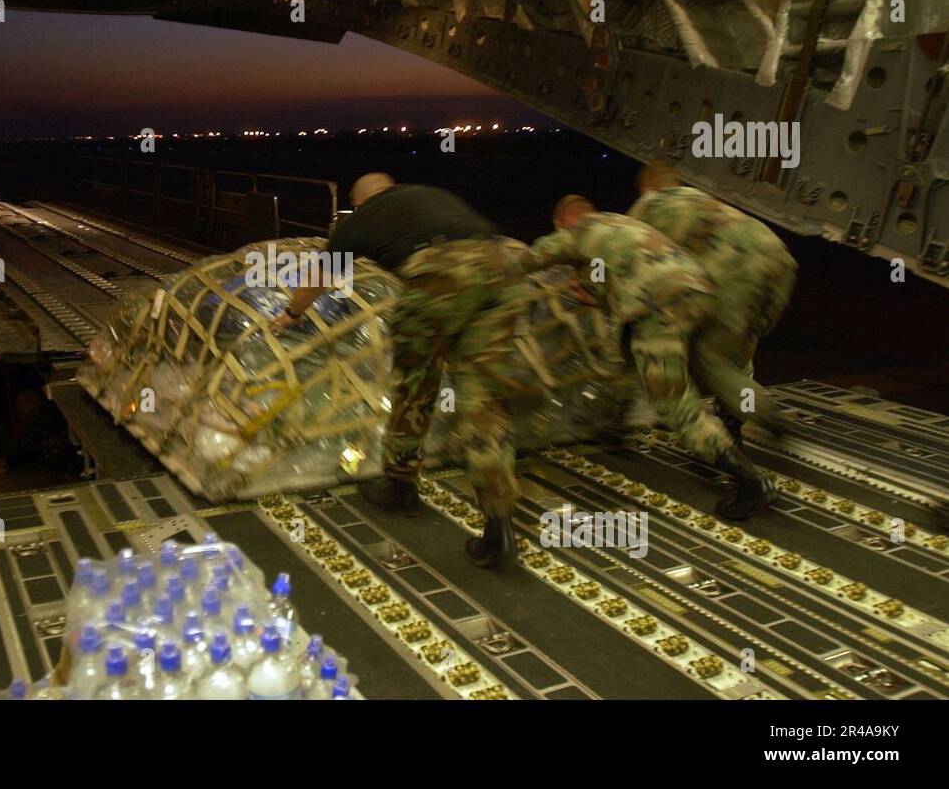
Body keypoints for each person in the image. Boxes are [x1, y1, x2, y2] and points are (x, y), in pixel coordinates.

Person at [272, 173, 529, 568]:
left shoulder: (360, 220)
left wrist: (292, 314)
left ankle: (401, 487)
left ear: (359, 203)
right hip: (505, 266)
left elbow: (320, 278)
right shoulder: (431, 192)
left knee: (415, 385)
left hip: (441, 273)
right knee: (485, 399)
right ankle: (500, 528)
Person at [511, 196, 775, 521]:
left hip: (659, 306)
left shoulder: (575, 235)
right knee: (625, 359)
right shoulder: (621, 224)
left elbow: (529, 259)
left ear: (565, 223)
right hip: (699, 292)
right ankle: (616, 423)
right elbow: (620, 274)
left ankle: (750, 480)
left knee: (675, 404)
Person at [627, 162, 797, 444]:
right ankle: (735, 414)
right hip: (779, 260)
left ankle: (768, 416)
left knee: (711, 360)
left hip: (739, 275)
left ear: (646, 187)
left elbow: (633, 267)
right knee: (738, 356)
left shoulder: (648, 207)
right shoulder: (700, 198)